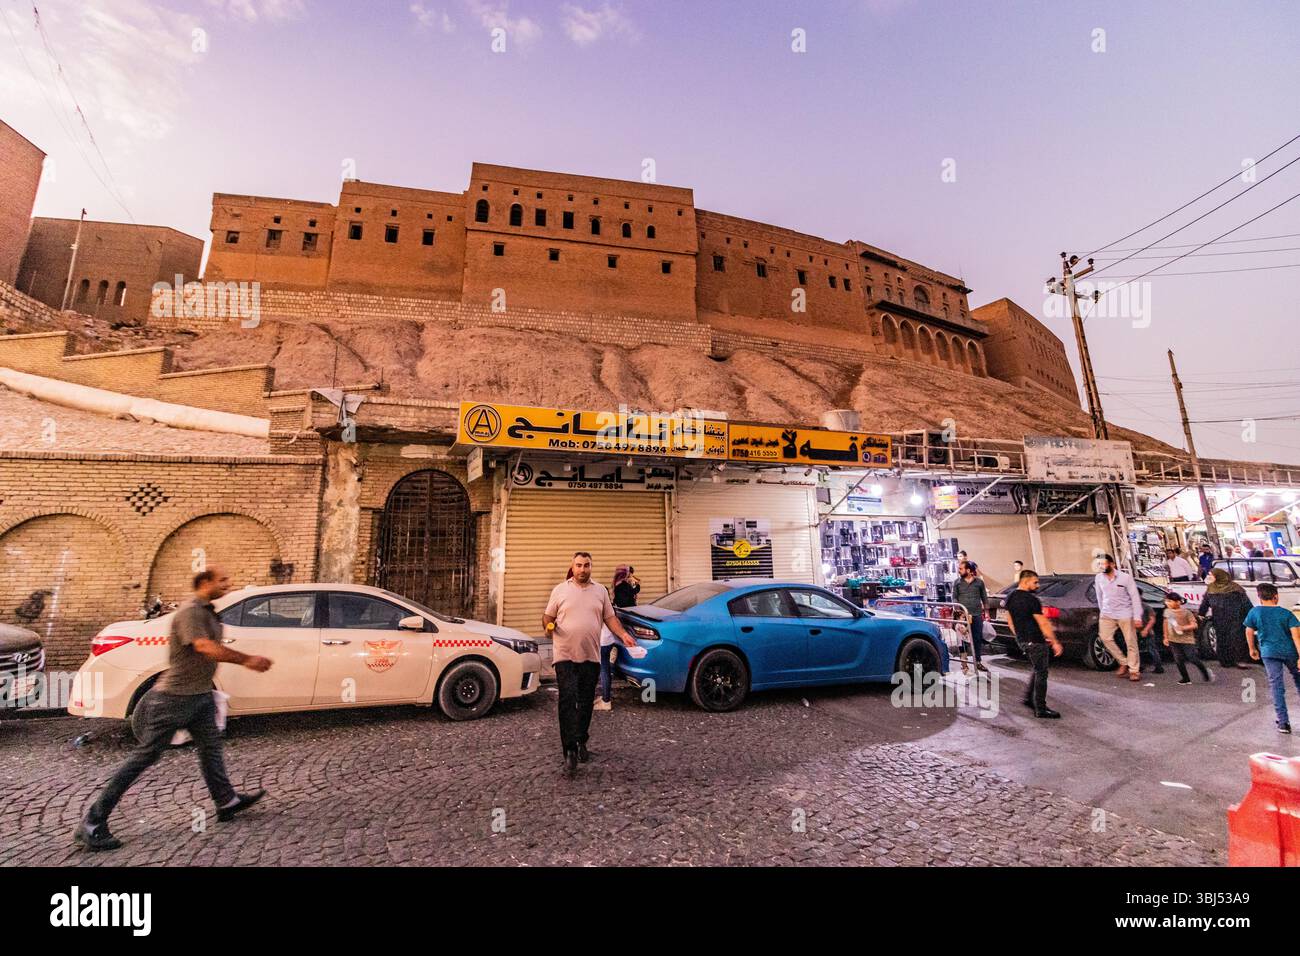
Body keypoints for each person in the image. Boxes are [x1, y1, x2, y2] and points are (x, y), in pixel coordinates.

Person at [73, 568, 272, 852]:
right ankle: (92, 821)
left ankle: (226, 801)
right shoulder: (191, 612)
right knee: (145, 757)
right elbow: (204, 647)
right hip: (173, 699)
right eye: (222, 581)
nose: (228, 584)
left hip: (200, 695)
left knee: (211, 748)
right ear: (205, 583)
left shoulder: (208, 611)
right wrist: (247, 659)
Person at [544, 552, 638, 777]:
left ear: (591, 567)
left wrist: (623, 635)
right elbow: (547, 617)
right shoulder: (560, 590)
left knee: (585, 702)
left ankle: (581, 739)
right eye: (578, 565)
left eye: (586, 565)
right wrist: (548, 627)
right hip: (564, 654)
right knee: (567, 700)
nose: (582, 569)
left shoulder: (600, 591)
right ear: (572, 567)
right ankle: (569, 751)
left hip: (591, 655)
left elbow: (610, 618)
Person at [1003, 569, 1063, 718]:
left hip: (1023, 640)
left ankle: (1029, 699)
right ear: (1025, 581)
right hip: (1035, 640)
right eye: (1035, 582)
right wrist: (1055, 642)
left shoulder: (1010, 597)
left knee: (1037, 669)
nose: (1037, 585)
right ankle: (1041, 708)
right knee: (1042, 673)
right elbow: (1043, 623)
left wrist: (1019, 636)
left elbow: (1009, 621)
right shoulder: (1031, 600)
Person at [1244, 583, 1300, 734]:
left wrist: (1252, 649)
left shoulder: (1255, 612)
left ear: (1259, 597)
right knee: (1298, 680)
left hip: (1269, 653)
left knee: (1276, 687)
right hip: (1290, 652)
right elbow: (1296, 637)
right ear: (1276, 596)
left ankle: (1283, 723)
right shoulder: (1286, 614)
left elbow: (1249, 632)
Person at [595, 565, 641, 712]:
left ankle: (606, 700)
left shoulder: (602, 606)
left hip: (603, 642)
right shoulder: (609, 603)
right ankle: (605, 697)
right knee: (606, 668)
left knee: (604, 669)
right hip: (607, 640)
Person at [1094, 554, 1145, 681]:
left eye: (1104, 563)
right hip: (1107, 613)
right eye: (1099, 564)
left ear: (1112, 564)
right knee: (1105, 638)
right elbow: (1099, 596)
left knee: (1131, 642)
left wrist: (1137, 616)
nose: (1101, 566)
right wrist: (1102, 611)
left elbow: (1134, 597)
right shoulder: (1099, 578)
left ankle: (1134, 670)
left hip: (1125, 613)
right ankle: (1123, 661)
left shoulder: (1125, 578)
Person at [1197, 567, 1253, 669]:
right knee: (1223, 639)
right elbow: (1205, 603)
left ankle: (1240, 660)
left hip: (1236, 617)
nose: (1209, 577)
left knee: (1237, 639)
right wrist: (1201, 614)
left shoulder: (1235, 588)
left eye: (1211, 575)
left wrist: (1251, 616)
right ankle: (1225, 660)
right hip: (1219, 618)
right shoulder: (1211, 589)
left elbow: (1246, 604)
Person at [1163, 592, 1211, 684]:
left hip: (1187, 639)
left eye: (1170, 601)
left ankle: (1205, 673)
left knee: (1192, 658)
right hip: (1173, 639)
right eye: (1166, 601)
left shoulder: (1186, 612)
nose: (1167, 603)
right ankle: (1185, 678)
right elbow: (1165, 623)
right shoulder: (1167, 612)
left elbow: (1194, 625)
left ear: (1178, 602)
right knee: (1178, 659)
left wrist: (1183, 628)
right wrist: (1165, 636)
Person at [952, 560, 989, 673]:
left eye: (961, 569)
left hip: (977, 615)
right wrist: (959, 613)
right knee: (962, 640)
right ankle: (964, 663)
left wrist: (986, 612)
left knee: (977, 639)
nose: (959, 571)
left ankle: (977, 661)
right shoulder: (957, 582)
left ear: (968, 570)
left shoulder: (979, 583)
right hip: (962, 617)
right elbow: (954, 598)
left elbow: (984, 597)